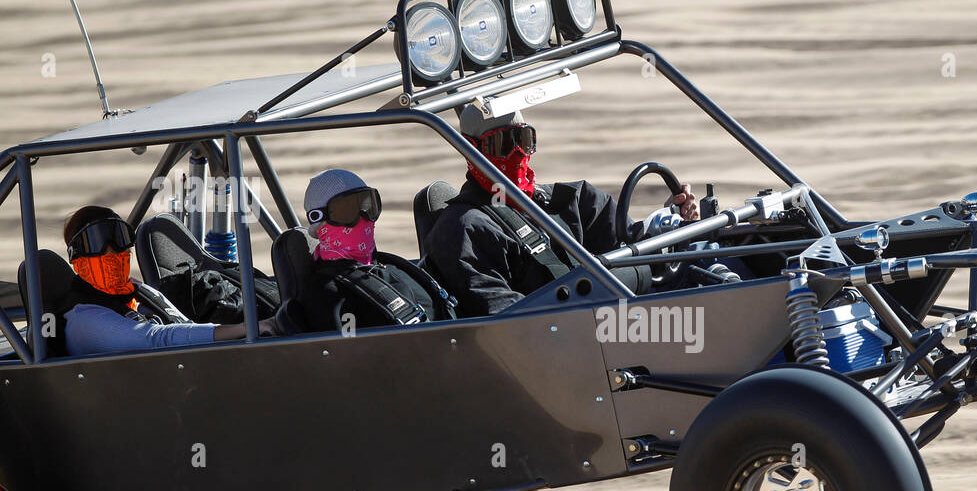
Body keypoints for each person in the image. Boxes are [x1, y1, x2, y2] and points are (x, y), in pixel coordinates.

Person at [424, 107, 699, 318]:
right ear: (473, 151)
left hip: (618, 322)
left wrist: (672, 225)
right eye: (504, 144)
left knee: (711, 266)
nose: (519, 153)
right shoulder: (462, 231)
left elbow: (629, 243)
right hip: (572, 351)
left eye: (524, 139)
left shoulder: (571, 199)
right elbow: (508, 325)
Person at [59, 206, 274, 356]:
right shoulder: (84, 320)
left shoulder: (137, 292)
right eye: (95, 243)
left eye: (119, 240)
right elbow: (157, 339)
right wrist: (246, 328)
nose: (111, 252)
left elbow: (183, 325)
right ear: (76, 257)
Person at [293, 169, 446, 333]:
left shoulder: (392, 266)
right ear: (319, 220)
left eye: (367, 206)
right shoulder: (329, 293)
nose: (362, 217)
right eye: (346, 210)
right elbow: (349, 350)